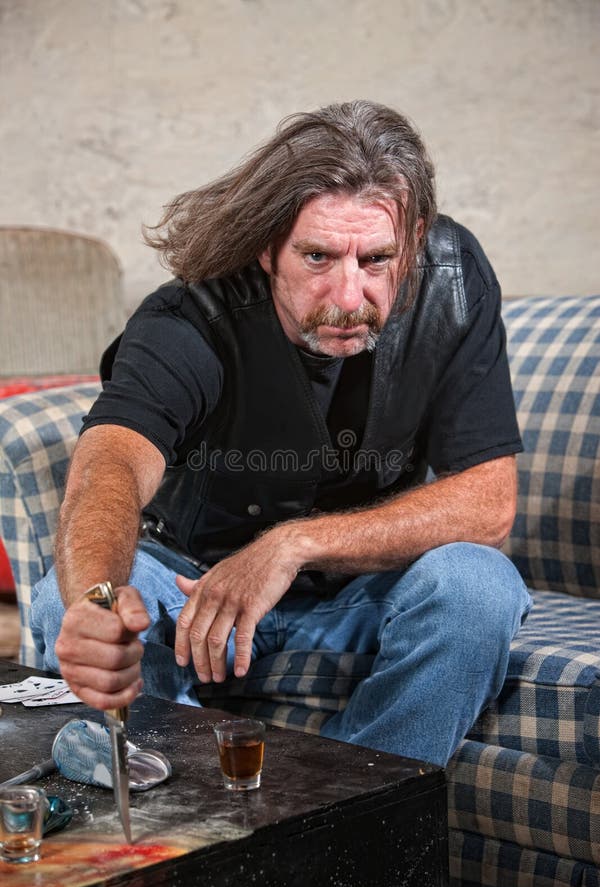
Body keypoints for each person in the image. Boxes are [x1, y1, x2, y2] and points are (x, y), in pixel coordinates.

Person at [31, 100, 532, 767]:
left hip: (359, 590)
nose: (349, 296)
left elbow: (489, 504)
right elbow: (111, 464)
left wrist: (294, 544)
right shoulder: (192, 316)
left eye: (377, 259)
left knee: (478, 585)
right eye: (318, 256)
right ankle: (183, 837)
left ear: (412, 241)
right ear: (269, 246)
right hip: (187, 587)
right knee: (51, 600)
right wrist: (95, 601)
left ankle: (351, 825)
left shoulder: (453, 282)